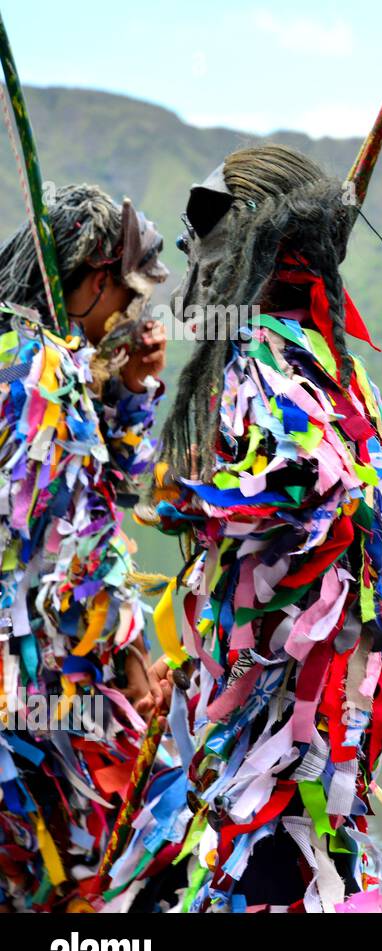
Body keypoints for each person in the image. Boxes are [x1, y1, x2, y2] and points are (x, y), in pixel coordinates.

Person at [115, 144, 382, 913]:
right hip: (291, 680)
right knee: (280, 846)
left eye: (205, 232)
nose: (190, 255)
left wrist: (189, 501)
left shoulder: (265, 351)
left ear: (259, 242)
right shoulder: (329, 361)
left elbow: (305, 478)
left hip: (295, 677)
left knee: (275, 851)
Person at [0, 184, 169, 911]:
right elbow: (70, 547)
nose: (138, 314)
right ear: (98, 278)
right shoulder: (38, 368)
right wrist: (132, 648)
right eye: (131, 293)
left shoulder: (48, 357)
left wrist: (132, 388)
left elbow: (110, 492)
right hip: (34, 680)